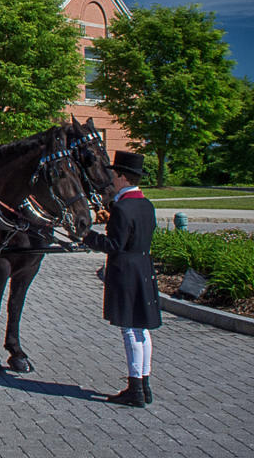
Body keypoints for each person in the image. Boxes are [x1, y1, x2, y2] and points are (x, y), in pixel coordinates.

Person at [83, 150, 161, 408]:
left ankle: (135, 386)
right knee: (142, 329)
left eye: (115, 175)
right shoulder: (146, 205)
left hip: (126, 271)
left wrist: (87, 236)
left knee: (129, 329)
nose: (112, 179)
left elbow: (114, 245)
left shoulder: (122, 208)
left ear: (123, 177)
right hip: (143, 267)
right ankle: (144, 383)